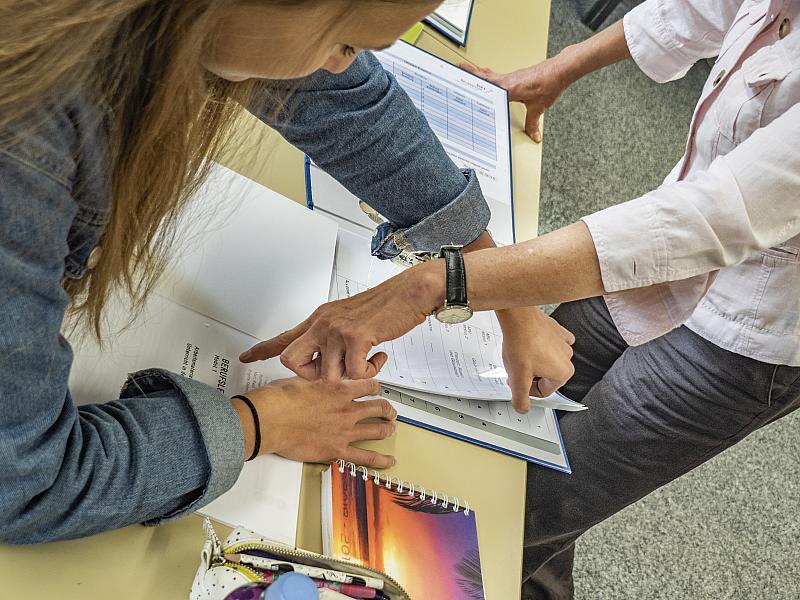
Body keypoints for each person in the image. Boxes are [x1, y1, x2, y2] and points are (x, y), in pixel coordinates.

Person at [243, 1, 800, 597]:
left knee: (535, 503)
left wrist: (444, 281)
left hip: (755, 321)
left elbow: (722, 217)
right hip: (653, 246)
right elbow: (707, 7)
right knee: (518, 427)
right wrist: (565, 64)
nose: (336, 59)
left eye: (352, 47)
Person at [1, 0, 575, 544]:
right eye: (347, 42)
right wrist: (259, 422)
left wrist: (499, 285)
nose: (340, 63)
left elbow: (355, 111)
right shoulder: (25, 148)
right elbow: (28, 481)